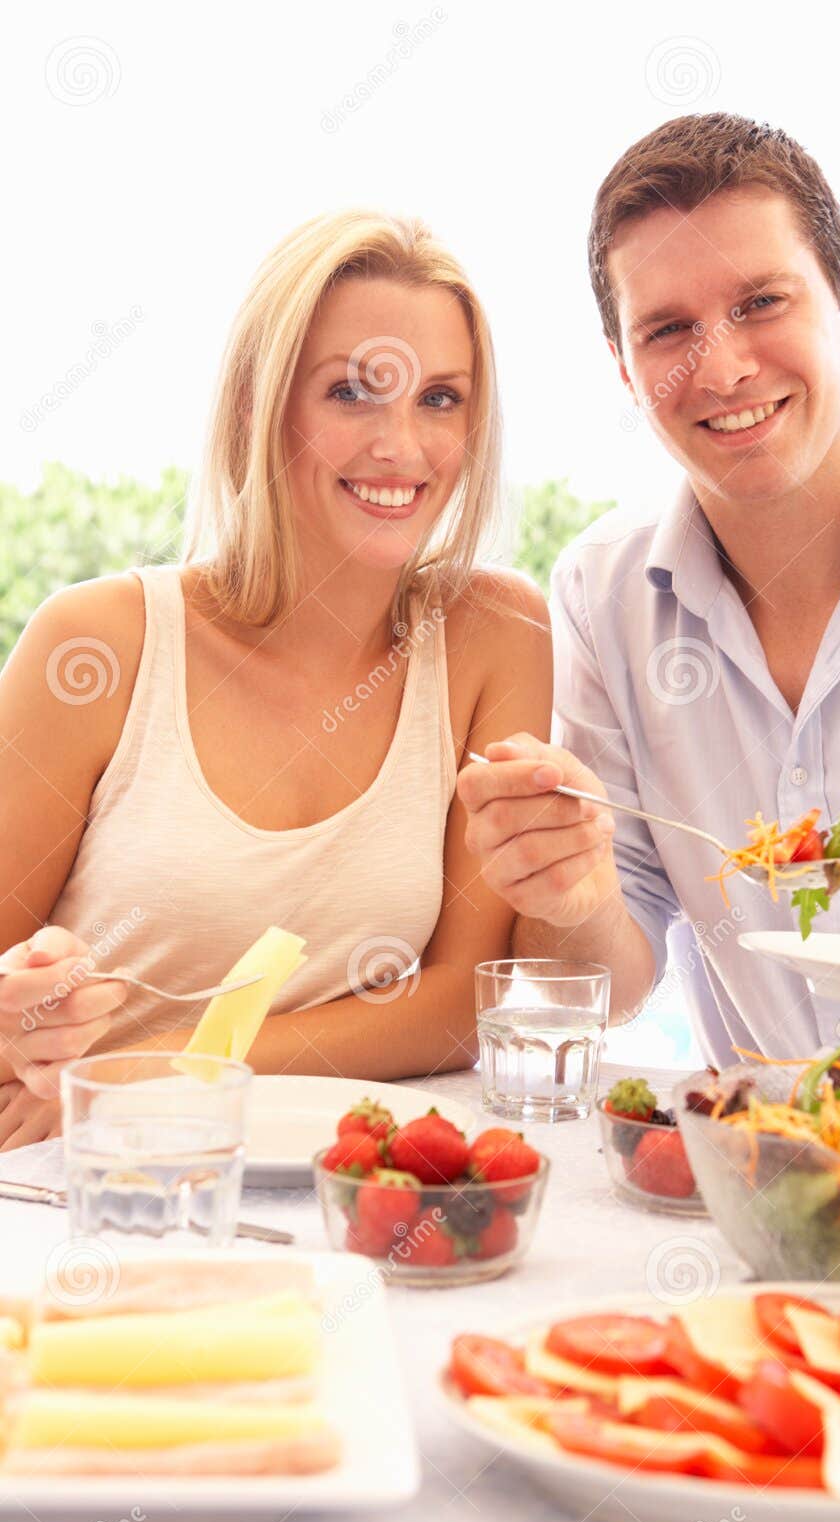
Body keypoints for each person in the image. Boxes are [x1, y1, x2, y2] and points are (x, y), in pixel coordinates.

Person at [459, 112, 840, 1068]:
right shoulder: (600, 591)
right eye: (668, 330)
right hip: (771, 1192)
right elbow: (614, 988)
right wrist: (570, 898)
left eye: (759, 304)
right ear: (624, 369)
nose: (724, 367)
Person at [0, 210, 550, 1146]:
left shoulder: (494, 633)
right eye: (351, 392)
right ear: (258, 407)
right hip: (78, 1183)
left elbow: (462, 1000)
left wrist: (174, 1066)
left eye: (440, 400)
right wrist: (22, 1010)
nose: (402, 448)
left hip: (347, 1188)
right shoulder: (95, 644)